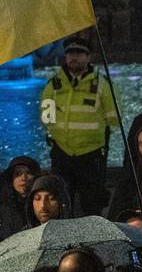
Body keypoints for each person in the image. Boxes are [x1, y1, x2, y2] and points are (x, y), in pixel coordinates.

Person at [40, 35, 119, 218]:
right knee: (60, 204)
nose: (74, 57)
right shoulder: (53, 85)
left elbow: (114, 119)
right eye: (70, 53)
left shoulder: (102, 85)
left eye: (79, 53)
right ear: (65, 57)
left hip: (91, 156)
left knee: (92, 205)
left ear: (88, 57)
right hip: (62, 154)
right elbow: (46, 118)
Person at [0, 156, 39, 239]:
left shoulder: (43, 203)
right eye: (18, 174)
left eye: (28, 173)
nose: (24, 178)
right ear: (11, 179)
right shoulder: (3, 207)